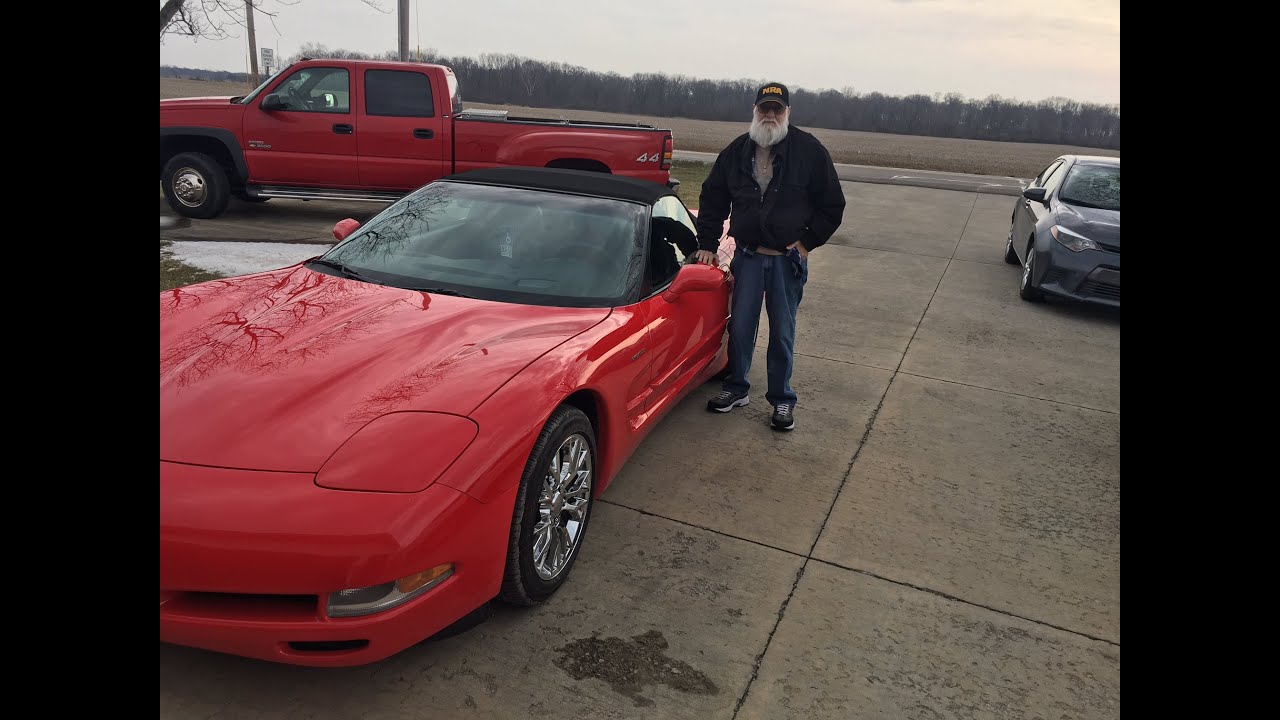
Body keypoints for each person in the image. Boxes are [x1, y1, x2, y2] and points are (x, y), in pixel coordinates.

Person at [691, 82, 846, 431]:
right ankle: (736, 387)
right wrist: (707, 242)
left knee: (782, 332)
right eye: (765, 108)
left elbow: (832, 206)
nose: (770, 115)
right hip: (745, 257)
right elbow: (713, 197)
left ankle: (781, 399)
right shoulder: (736, 152)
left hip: (785, 261)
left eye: (777, 109)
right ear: (755, 110)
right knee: (741, 327)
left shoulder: (809, 152)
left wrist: (805, 245)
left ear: (789, 113)